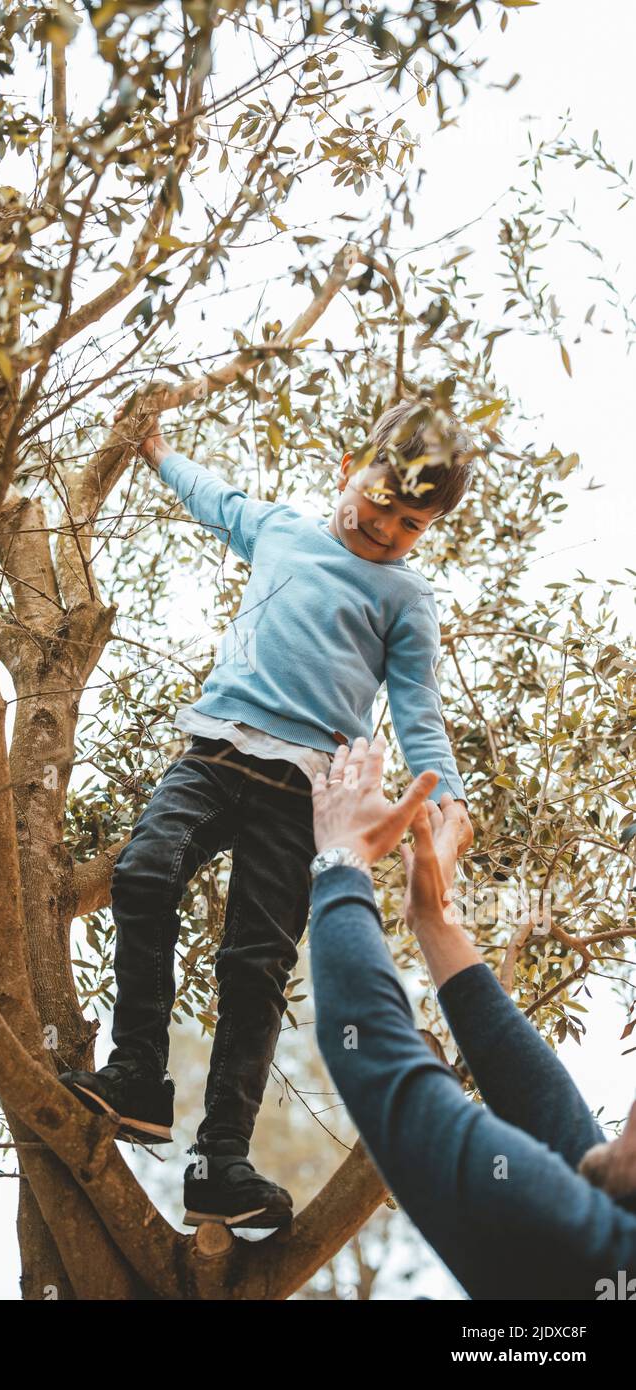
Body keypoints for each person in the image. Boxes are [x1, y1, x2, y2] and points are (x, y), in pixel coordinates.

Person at [60, 398, 475, 1229]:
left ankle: (221, 1164)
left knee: (252, 966)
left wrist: (444, 796)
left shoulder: (403, 599)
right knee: (145, 872)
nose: (387, 528)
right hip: (213, 753)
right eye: (380, 502)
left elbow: (416, 705)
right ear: (348, 469)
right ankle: (137, 1073)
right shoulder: (282, 528)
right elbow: (212, 501)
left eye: (410, 525)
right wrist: (155, 451)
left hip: (305, 791)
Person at [309, 734, 636, 1299]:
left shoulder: (598, 1256)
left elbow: (382, 1066)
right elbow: (552, 1121)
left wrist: (342, 858)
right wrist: (434, 923)